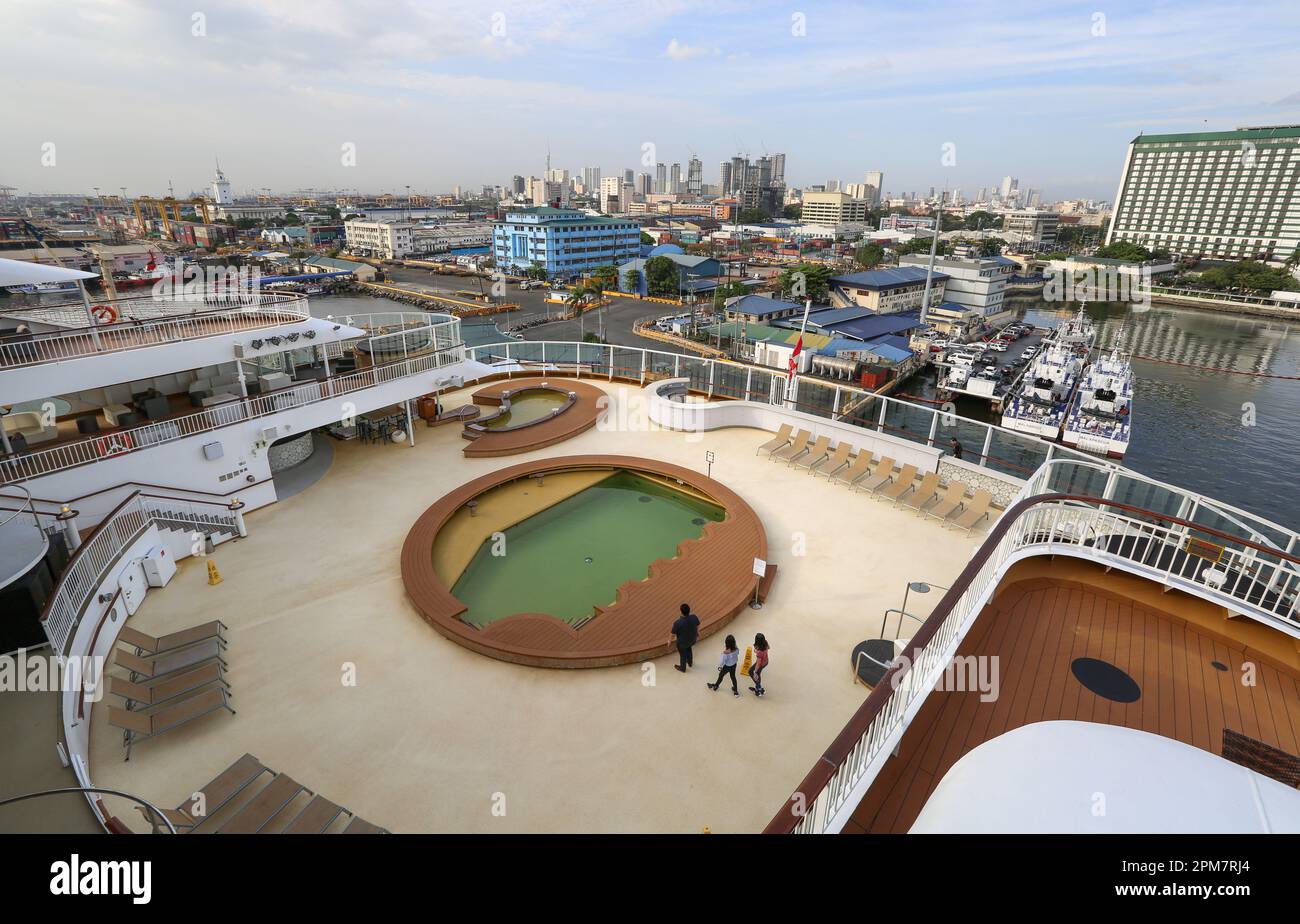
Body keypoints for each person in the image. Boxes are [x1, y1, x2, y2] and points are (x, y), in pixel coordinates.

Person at [670, 603, 700, 673]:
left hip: (682, 643)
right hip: (692, 640)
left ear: (681, 612)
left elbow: (672, 634)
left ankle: (682, 668)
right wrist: (697, 633)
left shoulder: (677, 623)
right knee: (689, 648)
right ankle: (690, 662)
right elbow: (698, 625)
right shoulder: (694, 617)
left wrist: (670, 641)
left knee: (683, 654)